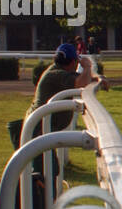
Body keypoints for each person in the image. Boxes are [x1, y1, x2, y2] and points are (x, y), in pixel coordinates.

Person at [28, 43, 106, 193]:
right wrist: (88, 67)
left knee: (50, 171)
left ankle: (45, 205)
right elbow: (81, 82)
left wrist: (98, 78)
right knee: (46, 174)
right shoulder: (56, 75)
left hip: (41, 130)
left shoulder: (60, 72)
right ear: (73, 63)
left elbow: (84, 79)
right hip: (37, 131)